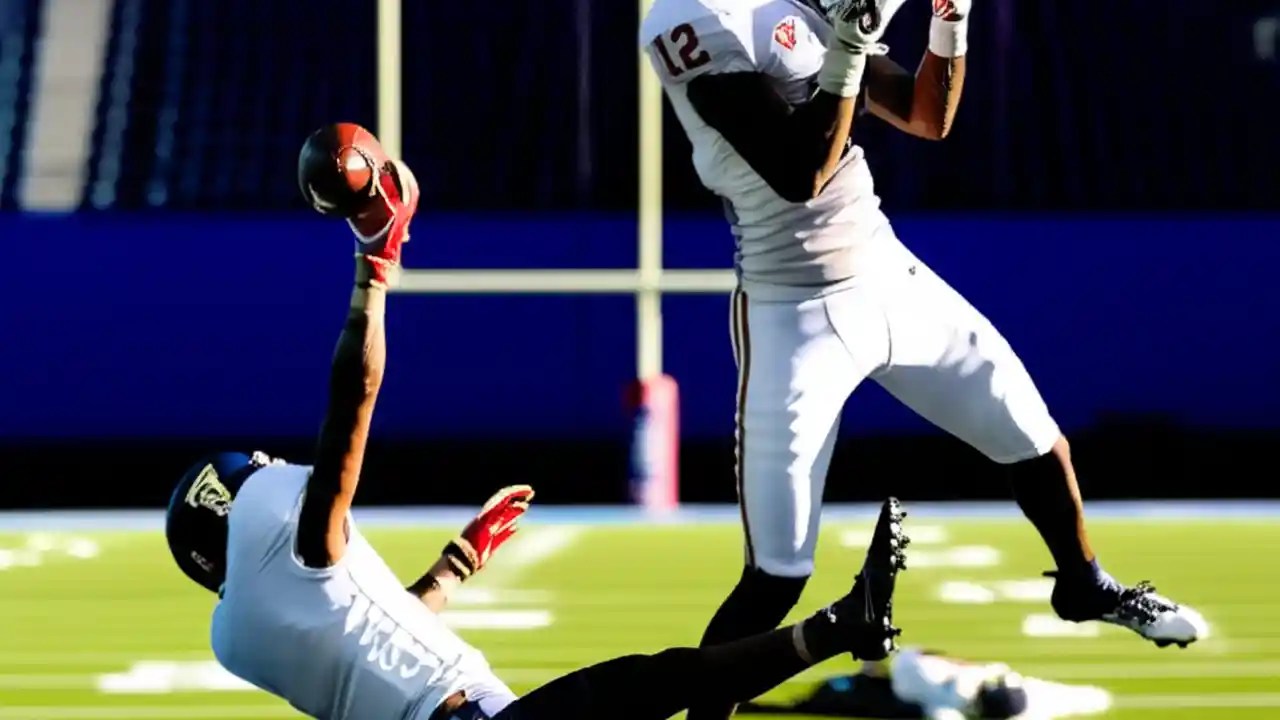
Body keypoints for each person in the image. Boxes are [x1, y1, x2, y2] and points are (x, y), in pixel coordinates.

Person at [163, 147, 912, 720]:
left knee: (663, 679)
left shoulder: (239, 635)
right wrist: (374, 269)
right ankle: (846, 623)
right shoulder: (289, 540)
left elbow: (376, 634)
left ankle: (844, 624)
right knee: (664, 678)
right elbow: (348, 411)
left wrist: (455, 566)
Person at [637, 0, 1205, 715]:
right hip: (790, 311)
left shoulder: (794, 2)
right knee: (776, 576)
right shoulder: (687, 20)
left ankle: (1083, 583)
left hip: (884, 272)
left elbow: (926, 113)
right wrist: (848, 44)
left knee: (1035, 440)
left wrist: (949, 19)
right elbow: (799, 170)